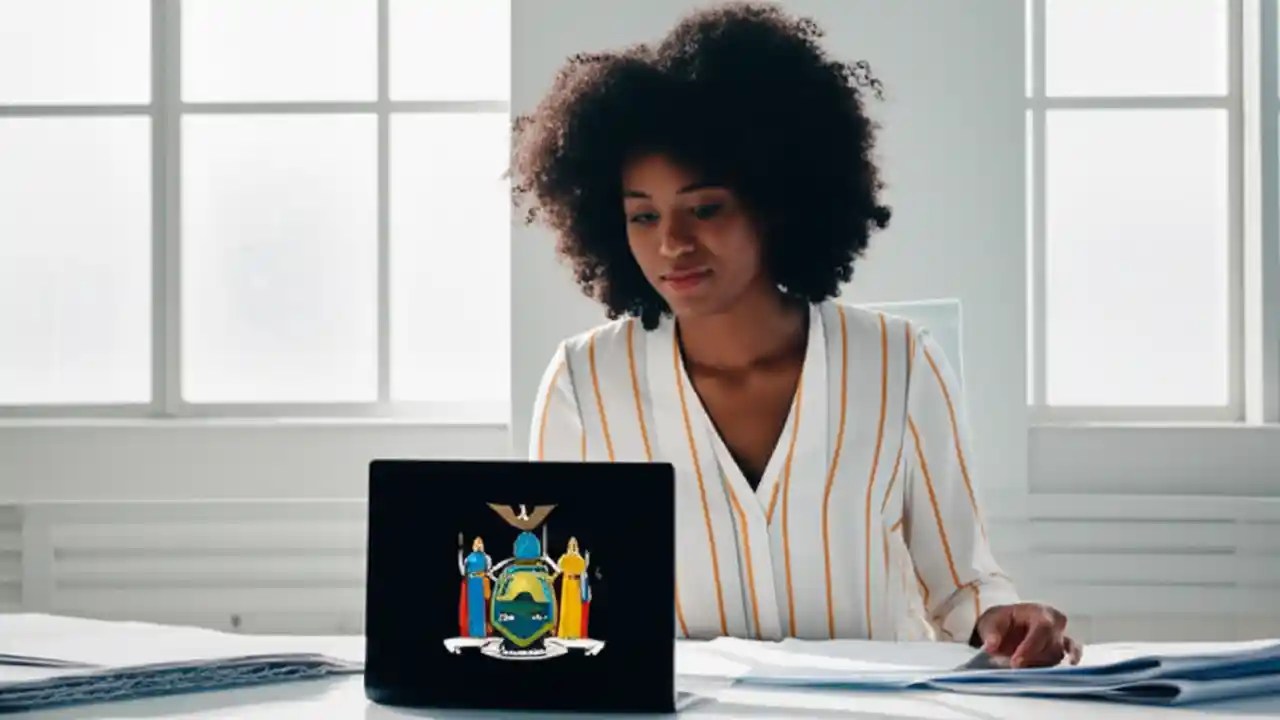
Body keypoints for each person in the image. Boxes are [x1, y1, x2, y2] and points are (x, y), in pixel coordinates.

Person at [511, 2, 1078, 669]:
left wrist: (1002, 620)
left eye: (706, 208)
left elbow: (959, 584)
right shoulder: (584, 384)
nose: (671, 243)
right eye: (642, 216)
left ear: (776, 201)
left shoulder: (900, 364)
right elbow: (558, 600)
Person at [457, 536, 492, 638]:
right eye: (477, 543)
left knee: (482, 607)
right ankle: (472, 632)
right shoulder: (469, 558)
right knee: (473, 607)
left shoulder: (486, 557)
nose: (478, 545)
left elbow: (488, 570)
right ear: (473, 545)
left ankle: (482, 631)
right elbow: (463, 571)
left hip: (481, 583)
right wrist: (460, 554)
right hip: (472, 584)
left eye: (480, 543)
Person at [556, 537, 590, 639]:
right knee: (566, 608)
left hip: (576, 583)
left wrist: (580, 558)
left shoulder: (579, 559)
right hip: (567, 582)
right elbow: (560, 566)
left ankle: (574, 633)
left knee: (575, 609)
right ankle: (565, 633)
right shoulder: (565, 558)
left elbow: (583, 568)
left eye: (575, 545)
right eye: (571, 545)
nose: (573, 547)